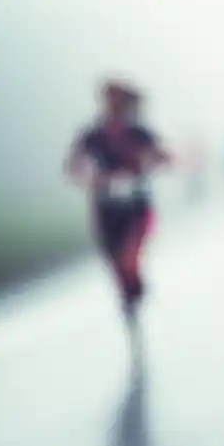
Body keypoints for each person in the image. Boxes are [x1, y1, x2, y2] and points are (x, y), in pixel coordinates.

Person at [65, 80, 170, 369]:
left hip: (136, 209)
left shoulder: (139, 132)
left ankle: (136, 286)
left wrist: (147, 162)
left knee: (130, 259)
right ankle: (131, 305)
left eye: (118, 100)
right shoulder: (92, 135)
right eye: (108, 100)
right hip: (105, 212)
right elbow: (72, 167)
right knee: (117, 268)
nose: (113, 106)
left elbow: (163, 157)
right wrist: (90, 177)